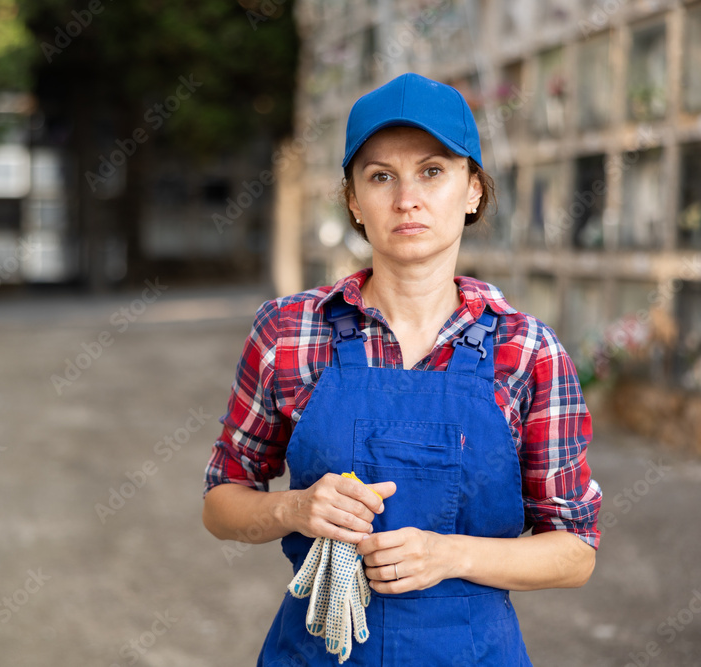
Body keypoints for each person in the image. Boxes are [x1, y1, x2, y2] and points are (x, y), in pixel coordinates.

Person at [201, 72, 602, 666]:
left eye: (433, 171)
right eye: (380, 176)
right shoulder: (289, 332)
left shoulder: (527, 352)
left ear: (473, 191)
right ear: (354, 200)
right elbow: (222, 502)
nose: (406, 198)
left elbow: (575, 551)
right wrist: (294, 508)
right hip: (316, 652)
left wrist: (450, 556)